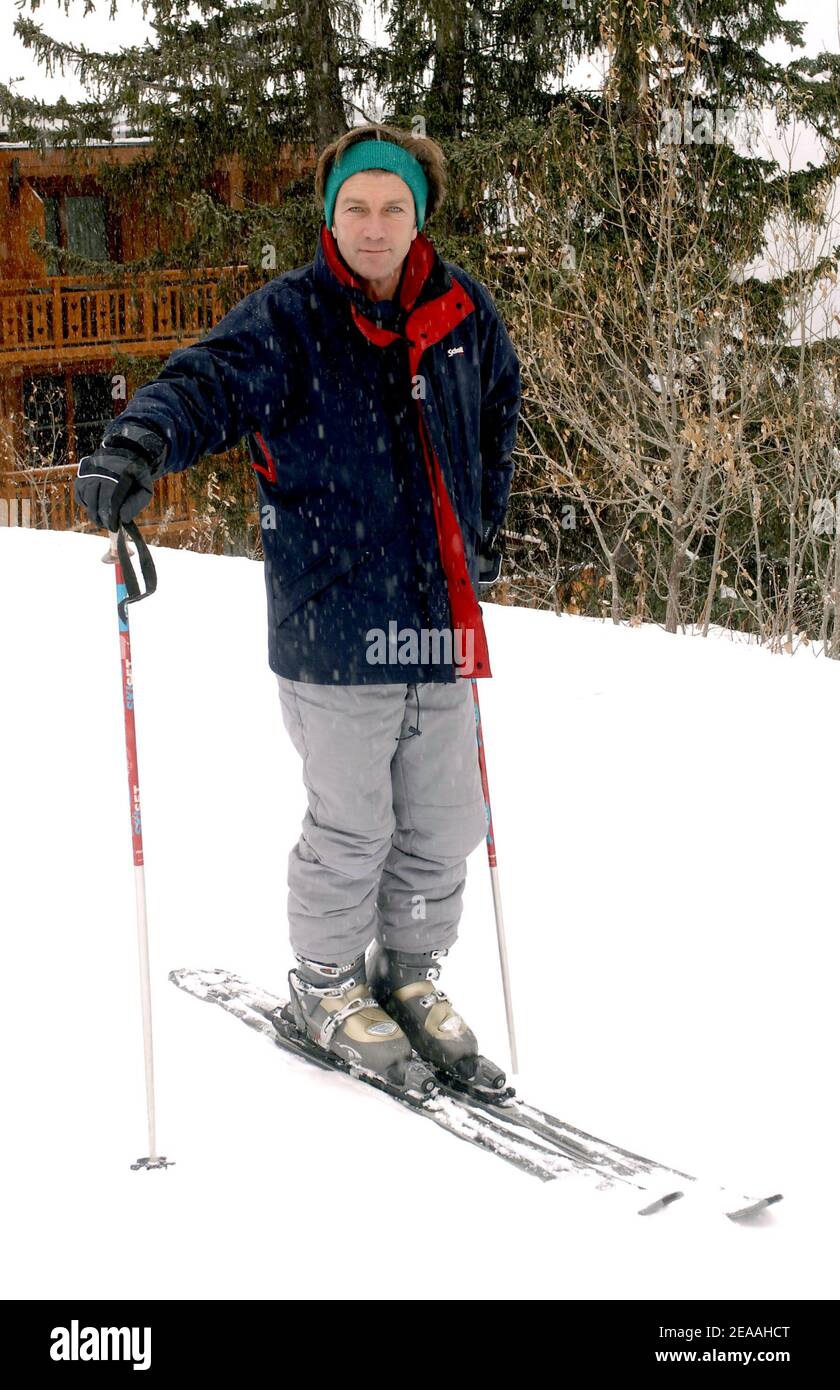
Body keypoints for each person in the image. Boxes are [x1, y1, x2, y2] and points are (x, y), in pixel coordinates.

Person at [75, 122, 521, 1088]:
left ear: (419, 216)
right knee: (354, 823)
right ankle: (324, 982)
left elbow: (497, 420)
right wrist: (136, 446)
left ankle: (407, 974)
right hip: (331, 619)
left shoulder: (463, 316)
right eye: (355, 206)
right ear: (330, 214)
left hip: (438, 618)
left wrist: (476, 536)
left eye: (392, 207)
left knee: (447, 819)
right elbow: (203, 385)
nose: (373, 224)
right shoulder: (289, 319)